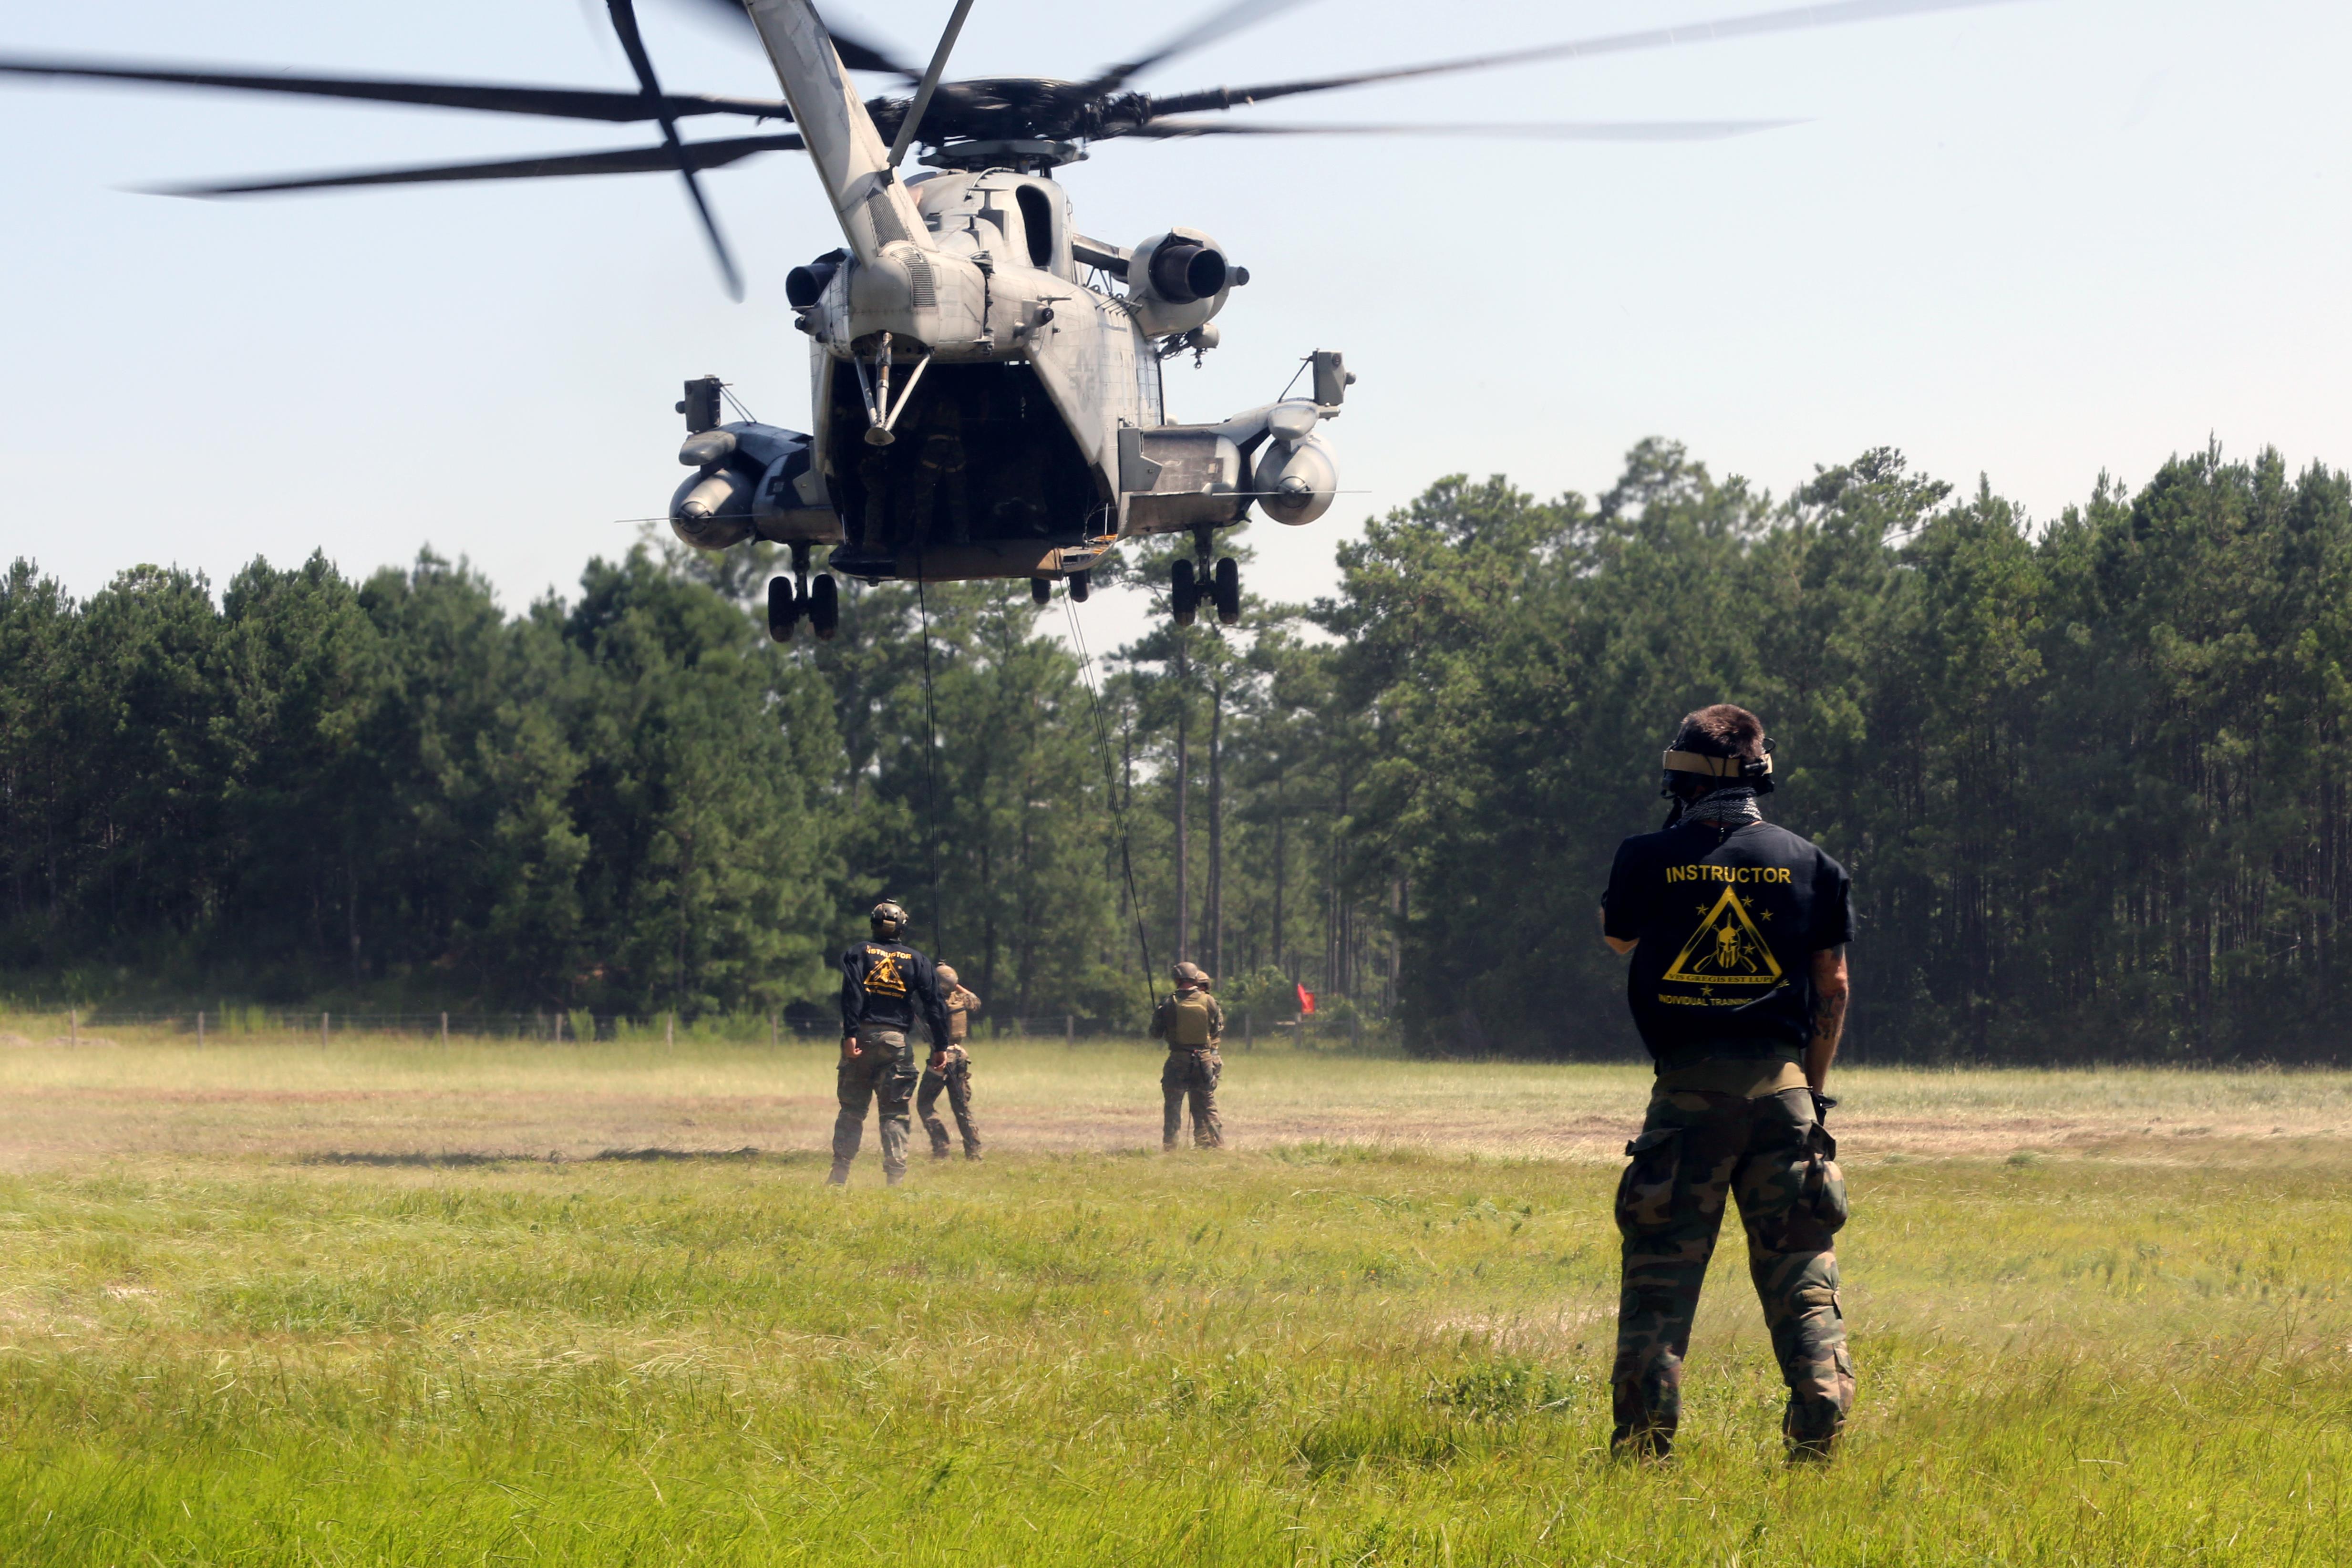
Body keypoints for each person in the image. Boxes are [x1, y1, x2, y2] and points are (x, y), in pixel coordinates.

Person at [1599, 704, 1855, 1461]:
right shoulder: (1812, 863)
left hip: (1685, 1100)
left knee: (1658, 1289)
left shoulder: (1646, 856)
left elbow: (1619, 935)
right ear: (1761, 772)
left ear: (1680, 771)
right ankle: (1818, 1440)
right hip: (1786, 1100)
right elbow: (1832, 985)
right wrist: (1808, 1089)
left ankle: (1644, 1452)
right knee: (1805, 1282)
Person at [832, 899, 953, 1187]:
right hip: (897, 1044)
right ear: (902, 928)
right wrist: (940, 1046)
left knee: (851, 1110)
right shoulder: (917, 960)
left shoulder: (857, 953)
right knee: (895, 1113)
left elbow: (851, 996)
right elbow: (934, 1006)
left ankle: (838, 1179)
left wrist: (850, 1035)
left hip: (860, 1039)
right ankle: (895, 1183)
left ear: (874, 924)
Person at [1150, 961, 1225, 1149]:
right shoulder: (1209, 1001)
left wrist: (1158, 1017)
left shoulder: (1168, 1003)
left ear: (1176, 979)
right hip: (1204, 1060)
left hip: (1178, 1060)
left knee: (1173, 1105)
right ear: (1195, 978)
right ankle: (1211, 1146)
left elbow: (1155, 1034)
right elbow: (1215, 1029)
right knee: (1206, 1105)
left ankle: (1171, 1148)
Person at [918, 963, 984, 1161]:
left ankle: (941, 1146)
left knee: (925, 1104)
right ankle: (974, 1153)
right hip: (961, 1056)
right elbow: (976, 1001)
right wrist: (953, 983)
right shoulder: (962, 1001)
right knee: (962, 1108)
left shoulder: (935, 1004)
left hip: (941, 1057)